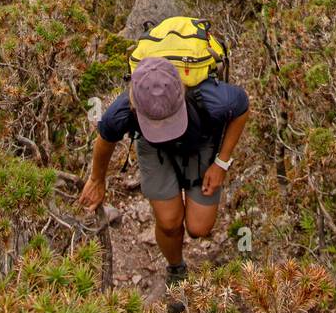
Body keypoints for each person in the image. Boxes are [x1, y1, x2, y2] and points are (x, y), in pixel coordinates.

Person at [79, 56, 249, 286]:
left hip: (200, 140)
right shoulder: (122, 110)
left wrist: (221, 163)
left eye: (167, 121)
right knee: (169, 223)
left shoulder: (214, 99)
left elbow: (241, 109)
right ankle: (176, 268)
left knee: (199, 227)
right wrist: (97, 179)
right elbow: (105, 139)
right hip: (153, 148)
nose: (163, 128)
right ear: (134, 103)